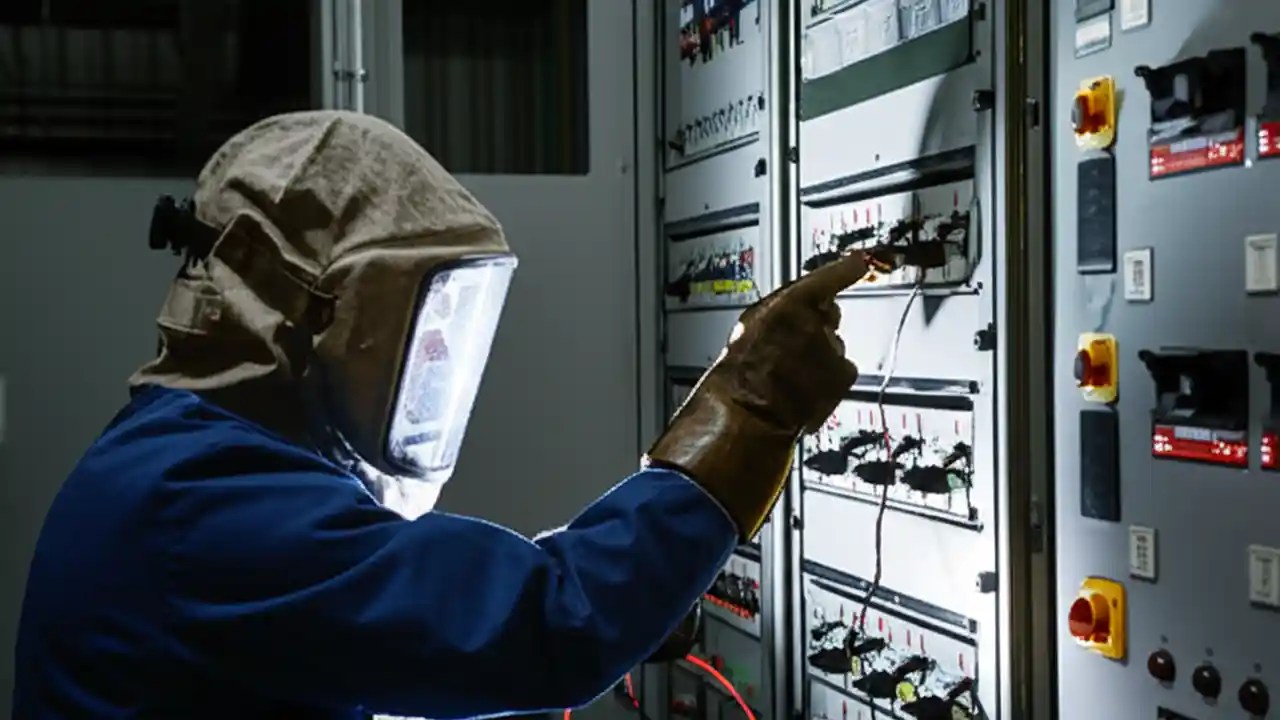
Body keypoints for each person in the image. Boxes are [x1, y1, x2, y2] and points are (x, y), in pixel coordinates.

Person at [12, 111, 873, 720]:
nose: (434, 363)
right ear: (299, 307)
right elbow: (549, 623)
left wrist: (638, 589)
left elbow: (386, 638)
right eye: (418, 327)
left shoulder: (175, 460)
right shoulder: (199, 501)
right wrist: (750, 407)